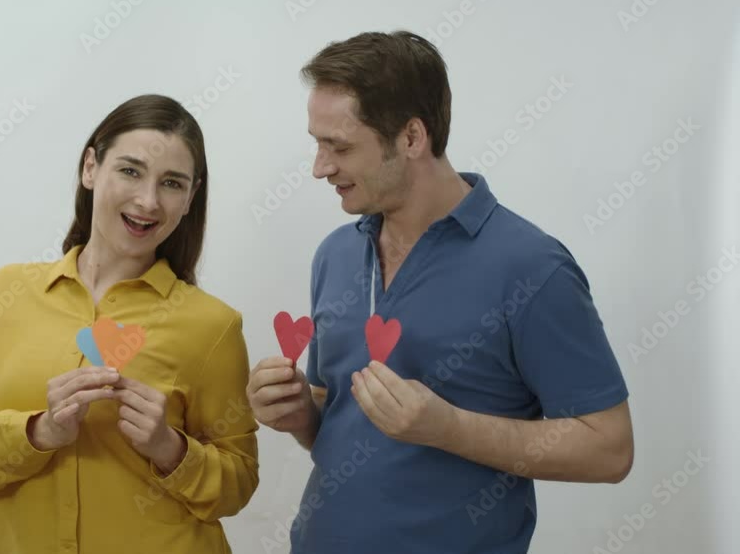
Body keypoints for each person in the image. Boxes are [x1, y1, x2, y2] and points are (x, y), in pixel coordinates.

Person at [247, 31, 634, 553]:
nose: (320, 167)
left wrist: (447, 427)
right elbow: (335, 424)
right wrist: (299, 417)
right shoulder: (335, 254)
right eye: (317, 143)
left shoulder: (533, 267)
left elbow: (609, 449)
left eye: (339, 146)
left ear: (412, 137)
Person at [0, 94, 259, 554]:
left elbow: (238, 484)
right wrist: (40, 431)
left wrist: (168, 447)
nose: (148, 200)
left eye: (171, 183)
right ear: (90, 168)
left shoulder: (213, 326)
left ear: (190, 198)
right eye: (130, 171)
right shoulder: (6, 295)